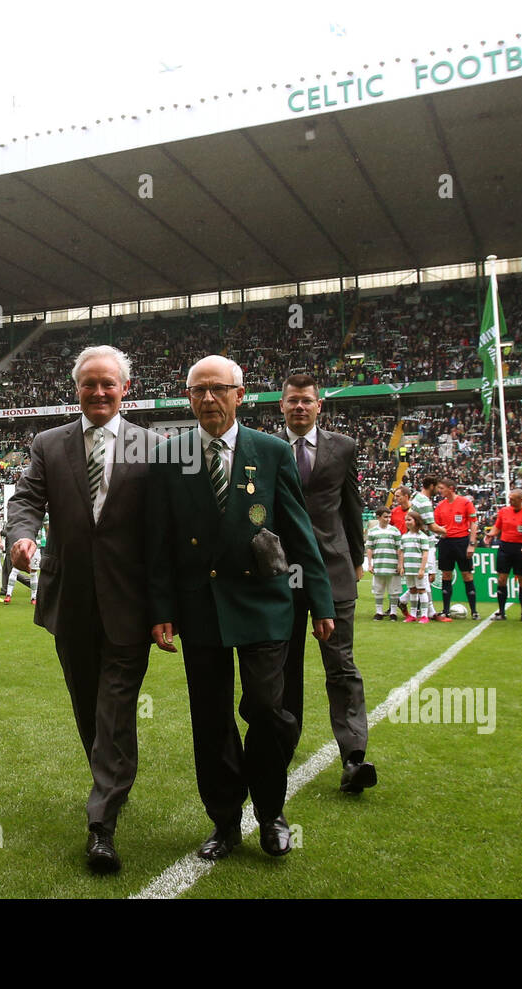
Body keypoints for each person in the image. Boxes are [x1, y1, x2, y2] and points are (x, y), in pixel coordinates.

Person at [147, 355, 335, 862]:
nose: (208, 399)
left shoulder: (272, 452)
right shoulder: (171, 455)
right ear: (188, 397)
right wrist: (161, 609)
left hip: (264, 605)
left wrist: (320, 601)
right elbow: (160, 544)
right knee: (210, 720)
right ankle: (226, 821)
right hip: (200, 607)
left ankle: (271, 813)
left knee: (269, 712)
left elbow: (300, 533)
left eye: (218, 389)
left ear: (240, 392)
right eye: (198, 391)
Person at [5, 345, 154, 874]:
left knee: (114, 709)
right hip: (69, 603)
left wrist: (165, 607)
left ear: (124, 388)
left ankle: (101, 826)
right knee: (89, 708)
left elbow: (163, 535)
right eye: (88, 383)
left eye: (107, 383)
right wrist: (23, 537)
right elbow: (26, 501)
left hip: (128, 608)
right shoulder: (49, 443)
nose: (97, 391)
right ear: (77, 389)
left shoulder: (153, 448)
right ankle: (113, 777)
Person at [276, 373, 374, 793]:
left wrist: (356, 559)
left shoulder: (344, 448)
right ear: (281, 405)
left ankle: (354, 757)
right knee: (283, 668)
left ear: (319, 406)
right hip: (281, 576)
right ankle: (282, 743)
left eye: (307, 401)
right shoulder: (266, 449)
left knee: (341, 665)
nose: (300, 407)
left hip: (332, 574)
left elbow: (352, 507)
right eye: (293, 401)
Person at [487, 489, 522, 622]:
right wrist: (491, 535)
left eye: (513, 499)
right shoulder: (504, 511)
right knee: (501, 579)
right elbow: (497, 527)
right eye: (510, 498)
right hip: (504, 547)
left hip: (521, 548)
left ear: (521, 499)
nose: (510, 501)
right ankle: (501, 612)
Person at [434, 477, 479, 620]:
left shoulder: (465, 503)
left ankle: (474, 611)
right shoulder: (440, 505)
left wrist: (471, 544)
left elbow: (473, 523)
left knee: (467, 575)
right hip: (446, 542)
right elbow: (437, 526)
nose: (439, 491)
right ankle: (446, 610)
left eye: (441, 488)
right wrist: (441, 531)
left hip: (462, 542)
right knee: (446, 575)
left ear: (451, 488)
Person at [366, 514, 403, 621]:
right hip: (379, 564)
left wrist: (400, 564)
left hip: (392, 565)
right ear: (378, 517)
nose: (388, 519)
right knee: (378, 590)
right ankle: (379, 612)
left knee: (394, 590)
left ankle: (393, 613)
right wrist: (369, 564)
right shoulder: (372, 531)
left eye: (389, 517)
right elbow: (369, 548)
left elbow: (399, 548)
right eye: (385, 517)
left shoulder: (395, 530)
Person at [400, 513, 432, 624]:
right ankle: (412, 615)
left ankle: (424, 615)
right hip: (409, 569)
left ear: (416, 521)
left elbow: (425, 554)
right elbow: (402, 552)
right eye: (406, 520)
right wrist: (402, 566)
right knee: (412, 590)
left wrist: (422, 569)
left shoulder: (422, 536)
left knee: (422, 590)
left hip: (418, 569)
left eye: (409, 520)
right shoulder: (404, 537)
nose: (407, 522)